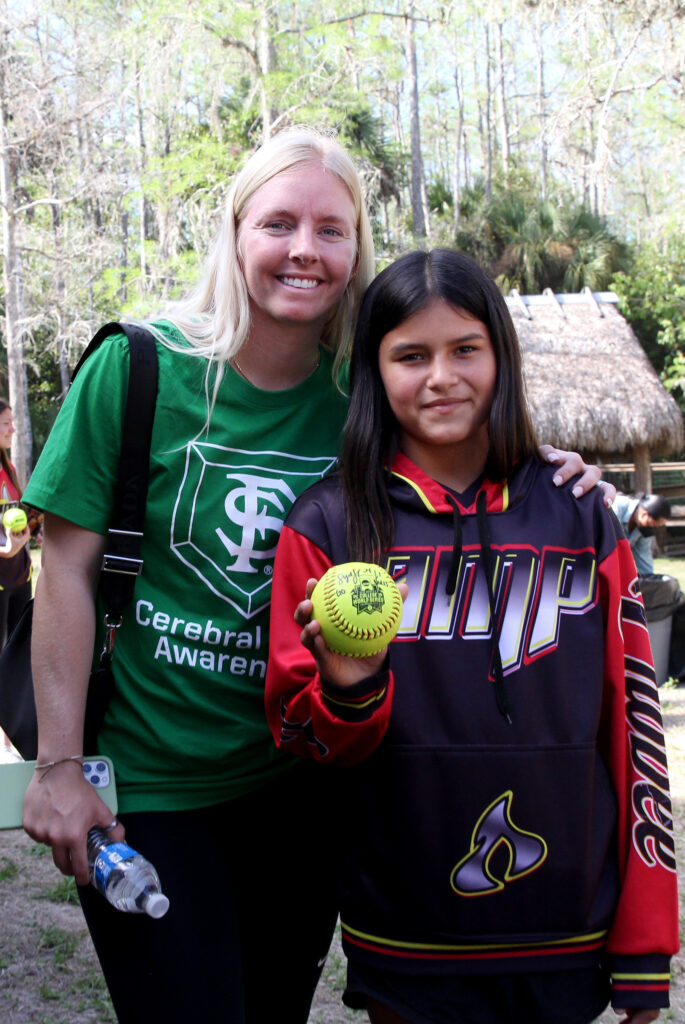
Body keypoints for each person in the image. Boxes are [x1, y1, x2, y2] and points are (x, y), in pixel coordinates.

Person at [21, 128, 611, 1024]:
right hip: (154, 784)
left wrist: (561, 470)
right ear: (234, 233)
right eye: (279, 223)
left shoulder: (363, 392)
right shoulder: (138, 368)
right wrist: (62, 766)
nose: (304, 250)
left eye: (331, 230)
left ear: (355, 248)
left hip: (308, 786)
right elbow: (63, 569)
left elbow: (473, 465)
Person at [265, 249, 678, 1024]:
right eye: (410, 355)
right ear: (373, 371)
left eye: (465, 349)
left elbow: (635, 731)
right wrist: (351, 687)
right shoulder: (327, 525)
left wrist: (646, 943)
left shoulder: (578, 514)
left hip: (565, 917)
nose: (440, 378)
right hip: (407, 925)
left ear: (501, 356)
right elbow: (298, 738)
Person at [612, 492, 671, 576]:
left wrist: (649, 580)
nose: (653, 527)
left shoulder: (644, 526)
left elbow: (643, 555)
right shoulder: (616, 507)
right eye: (653, 524)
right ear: (644, 514)